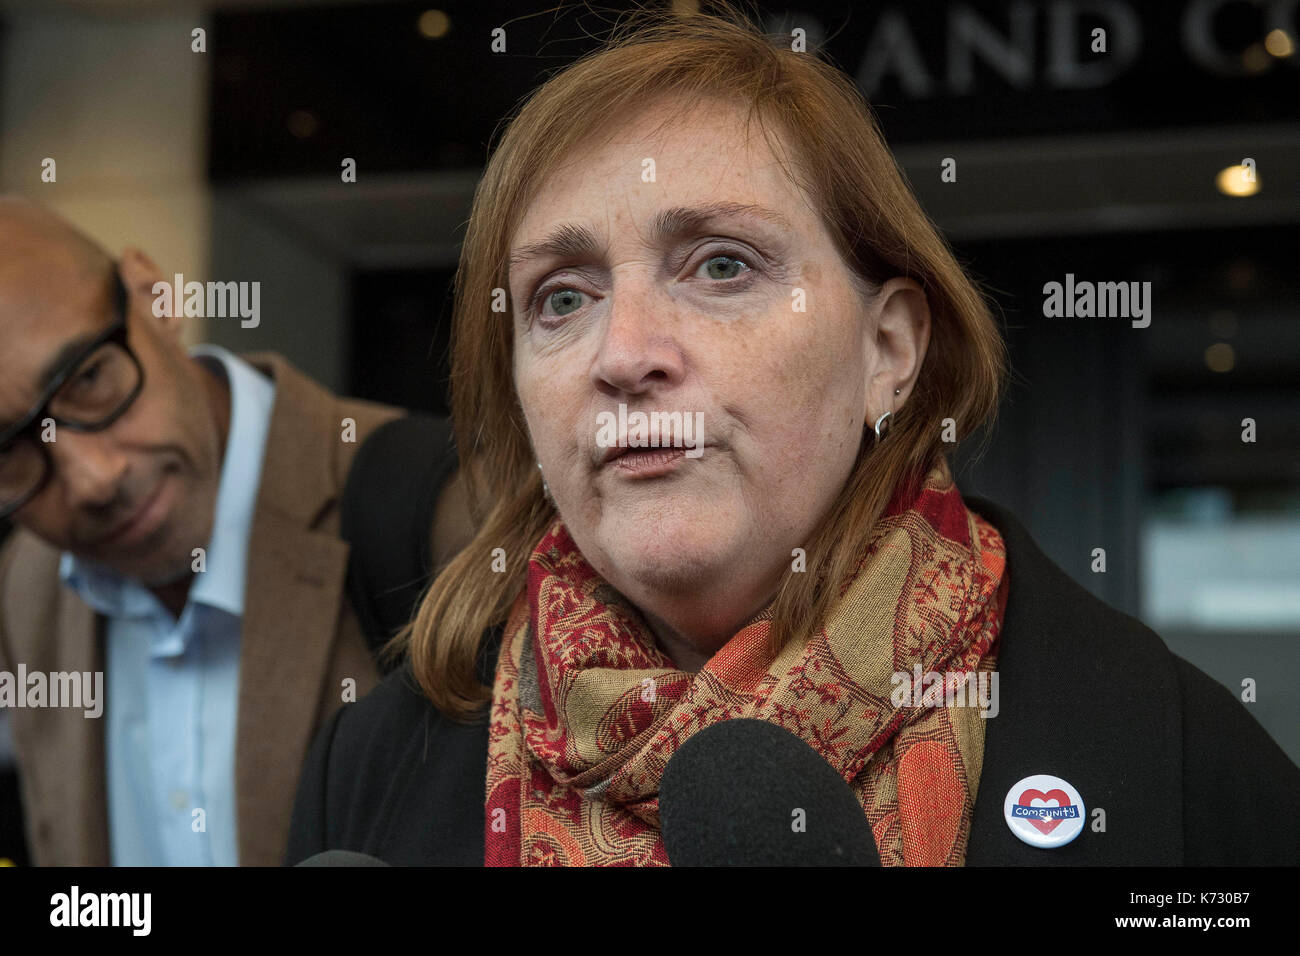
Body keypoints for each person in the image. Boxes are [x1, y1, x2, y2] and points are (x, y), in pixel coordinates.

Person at [286, 7, 1300, 866]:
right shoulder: (368, 771)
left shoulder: (1179, 762)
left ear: (889, 349)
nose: (624, 351)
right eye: (561, 297)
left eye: (721, 266)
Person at [0, 198, 472, 865]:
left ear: (153, 297)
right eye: (9, 452)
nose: (92, 479)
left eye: (91, 379)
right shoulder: (28, 582)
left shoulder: (445, 511)